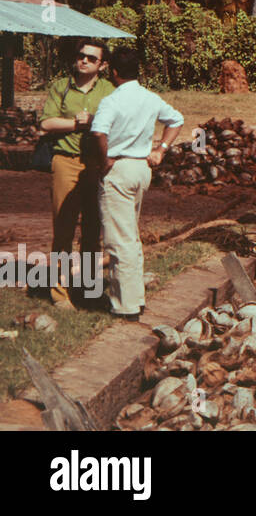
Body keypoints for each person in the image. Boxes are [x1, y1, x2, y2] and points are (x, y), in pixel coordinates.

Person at [88, 47, 184, 320]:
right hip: (141, 168)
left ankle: (126, 305)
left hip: (118, 167)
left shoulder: (111, 101)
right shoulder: (149, 98)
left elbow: (98, 132)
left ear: (114, 72)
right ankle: (136, 296)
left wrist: (105, 158)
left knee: (120, 239)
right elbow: (176, 120)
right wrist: (161, 149)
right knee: (130, 232)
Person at [38, 38, 115, 309]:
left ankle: (90, 290)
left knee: (94, 230)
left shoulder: (108, 90)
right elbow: (46, 121)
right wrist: (75, 123)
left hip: (96, 164)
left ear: (102, 65)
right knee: (63, 229)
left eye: (91, 58)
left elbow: (116, 121)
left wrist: (95, 122)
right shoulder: (61, 86)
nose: (84, 60)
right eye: (82, 55)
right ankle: (59, 293)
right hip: (65, 162)